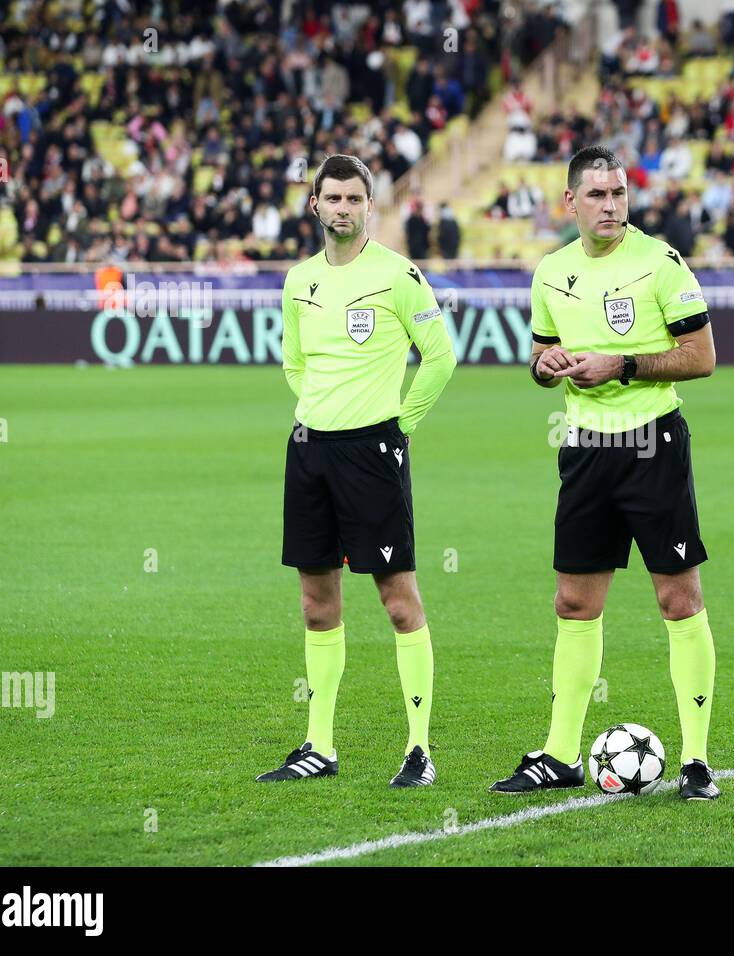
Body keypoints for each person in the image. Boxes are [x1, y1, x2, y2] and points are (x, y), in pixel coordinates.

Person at [488, 145, 721, 800]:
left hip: (653, 445)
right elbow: (538, 356)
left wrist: (620, 364)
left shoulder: (660, 263)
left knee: (678, 598)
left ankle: (697, 759)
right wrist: (549, 367)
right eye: (597, 195)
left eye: (619, 194)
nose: (612, 205)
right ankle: (560, 754)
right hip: (585, 448)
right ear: (570, 203)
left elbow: (701, 356)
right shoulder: (551, 271)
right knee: (574, 601)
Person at [258, 154, 456, 787]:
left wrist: (402, 424)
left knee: (399, 601)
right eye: (332, 198)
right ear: (314, 205)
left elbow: (440, 356)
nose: (342, 208)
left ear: (371, 206)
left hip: (373, 449)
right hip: (310, 450)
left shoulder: (398, 275)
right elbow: (294, 363)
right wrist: (316, 409)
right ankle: (319, 745)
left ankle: (419, 750)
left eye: (354, 199)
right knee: (317, 604)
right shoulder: (297, 281)